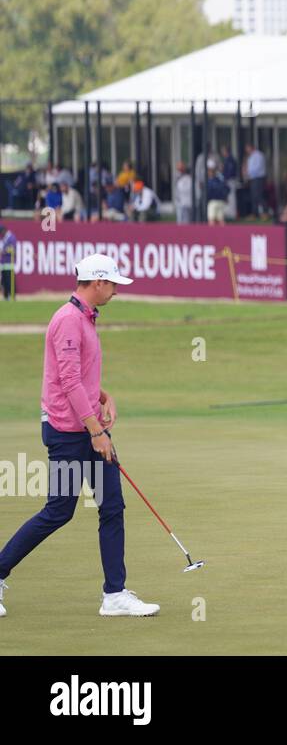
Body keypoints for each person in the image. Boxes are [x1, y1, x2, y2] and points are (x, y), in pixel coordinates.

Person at [0, 253, 161, 618]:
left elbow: (77, 374)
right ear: (97, 282)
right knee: (58, 511)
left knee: (112, 506)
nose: (117, 291)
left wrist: (103, 395)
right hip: (68, 432)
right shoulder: (68, 320)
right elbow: (68, 382)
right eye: (114, 284)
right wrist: (96, 431)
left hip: (88, 427)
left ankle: (115, 594)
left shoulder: (85, 319)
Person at [243, 143, 267, 217]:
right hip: (253, 178)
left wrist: (248, 172)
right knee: (253, 196)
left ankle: (265, 212)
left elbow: (258, 167)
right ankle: (254, 213)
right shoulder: (251, 156)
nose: (246, 150)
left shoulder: (258, 155)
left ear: (251, 147)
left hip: (258, 178)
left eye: (247, 148)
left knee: (259, 195)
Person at [0, 221, 17, 300]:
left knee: (9, 281)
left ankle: (12, 296)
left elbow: (12, 248)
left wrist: (4, 251)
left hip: (9, 263)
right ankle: (6, 296)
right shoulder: (5, 238)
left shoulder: (11, 237)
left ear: (4, 230)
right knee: (4, 281)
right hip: (3, 263)